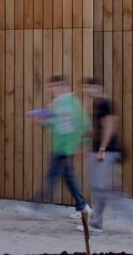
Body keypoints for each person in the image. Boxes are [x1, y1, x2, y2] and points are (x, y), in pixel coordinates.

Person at [23, 75, 92, 218]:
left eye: (53, 86)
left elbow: (83, 124)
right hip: (60, 147)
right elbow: (54, 124)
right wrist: (40, 120)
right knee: (69, 178)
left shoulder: (72, 103)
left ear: (62, 86)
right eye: (49, 87)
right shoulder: (57, 103)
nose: (50, 90)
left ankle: (35, 209)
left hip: (65, 148)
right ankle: (83, 207)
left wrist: (82, 144)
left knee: (51, 178)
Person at [80, 78, 124, 232]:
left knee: (100, 188)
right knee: (98, 187)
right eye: (85, 89)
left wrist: (102, 149)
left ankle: (96, 224)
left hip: (108, 150)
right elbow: (100, 129)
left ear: (98, 87)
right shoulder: (97, 105)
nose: (86, 91)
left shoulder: (106, 104)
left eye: (88, 88)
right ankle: (96, 221)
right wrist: (89, 136)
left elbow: (109, 128)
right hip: (99, 150)